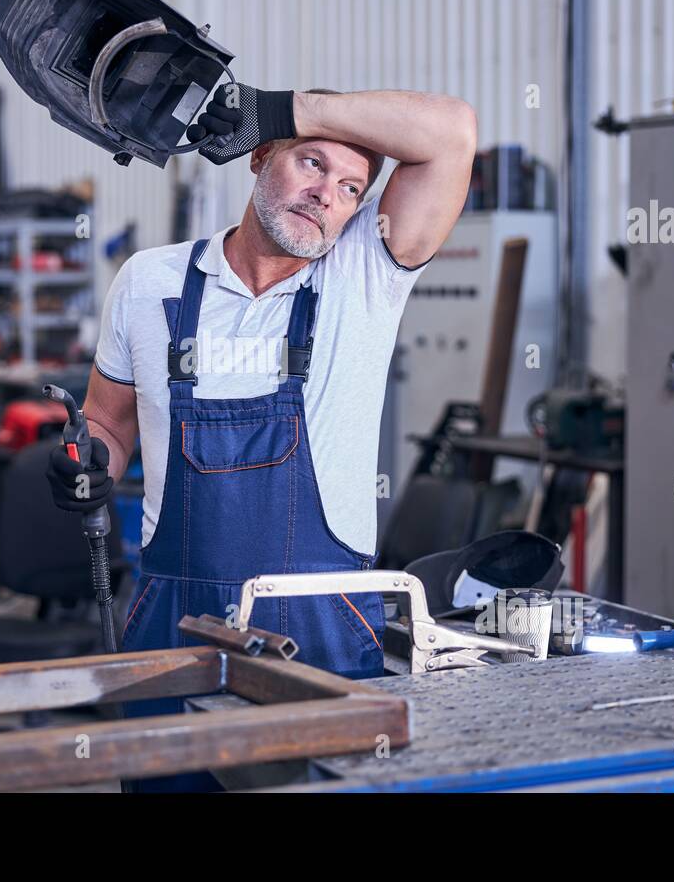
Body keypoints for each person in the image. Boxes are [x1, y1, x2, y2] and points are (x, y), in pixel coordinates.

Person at [47, 84, 476, 790]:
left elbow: (452, 131)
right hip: (171, 629)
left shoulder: (364, 275)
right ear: (259, 159)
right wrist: (90, 460)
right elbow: (106, 421)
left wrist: (281, 108)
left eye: (350, 186)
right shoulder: (148, 282)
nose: (326, 194)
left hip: (318, 630)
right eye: (310, 163)